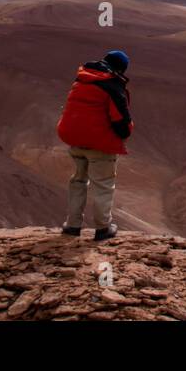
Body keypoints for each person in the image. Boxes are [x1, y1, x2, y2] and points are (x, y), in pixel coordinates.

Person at [56, 50, 132, 240]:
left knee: (78, 181)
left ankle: (72, 225)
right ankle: (102, 228)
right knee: (103, 184)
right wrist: (126, 132)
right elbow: (121, 122)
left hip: (74, 139)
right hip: (99, 144)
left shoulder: (81, 80)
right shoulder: (112, 86)